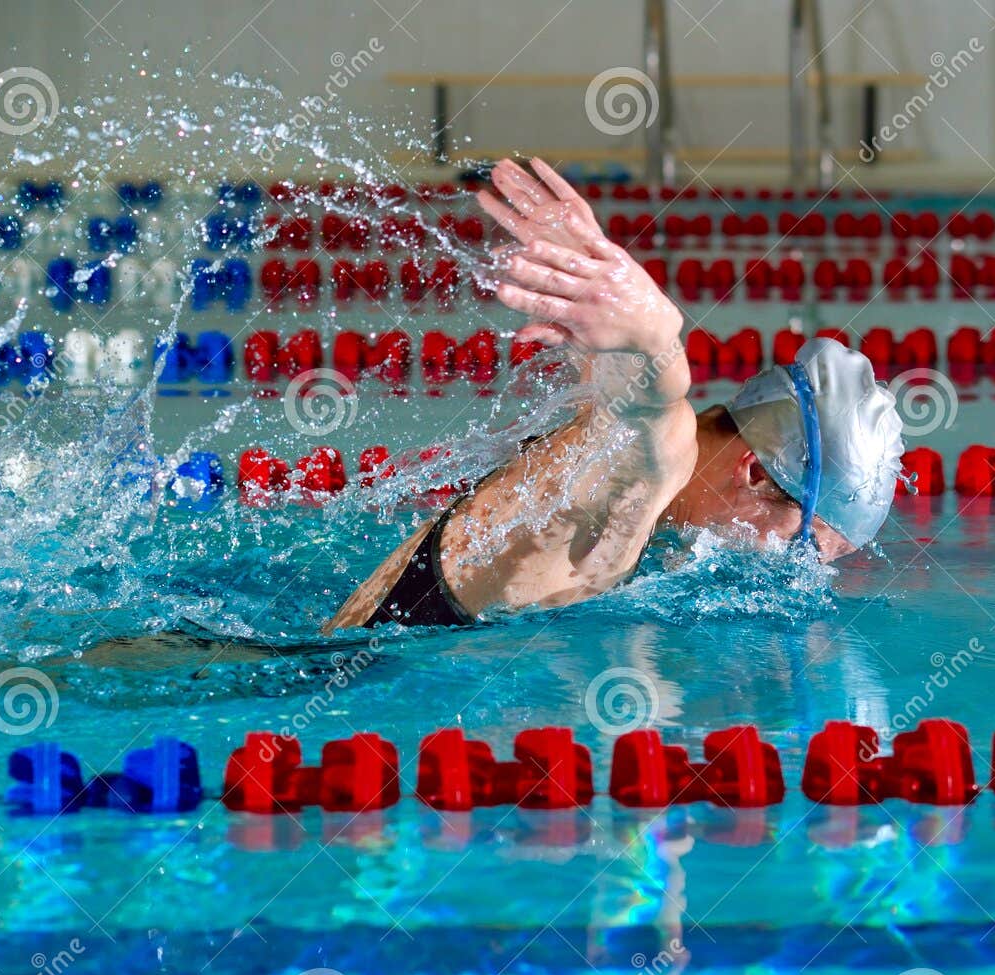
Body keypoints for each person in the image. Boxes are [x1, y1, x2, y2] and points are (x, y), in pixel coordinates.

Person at [323, 157, 903, 632]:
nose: (791, 572)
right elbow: (658, 404)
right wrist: (655, 335)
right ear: (753, 473)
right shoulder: (655, 462)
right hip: (347, 685)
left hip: (334, 657)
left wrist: (586, 277)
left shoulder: (609, 459)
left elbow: (618, 387)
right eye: (805, 549)